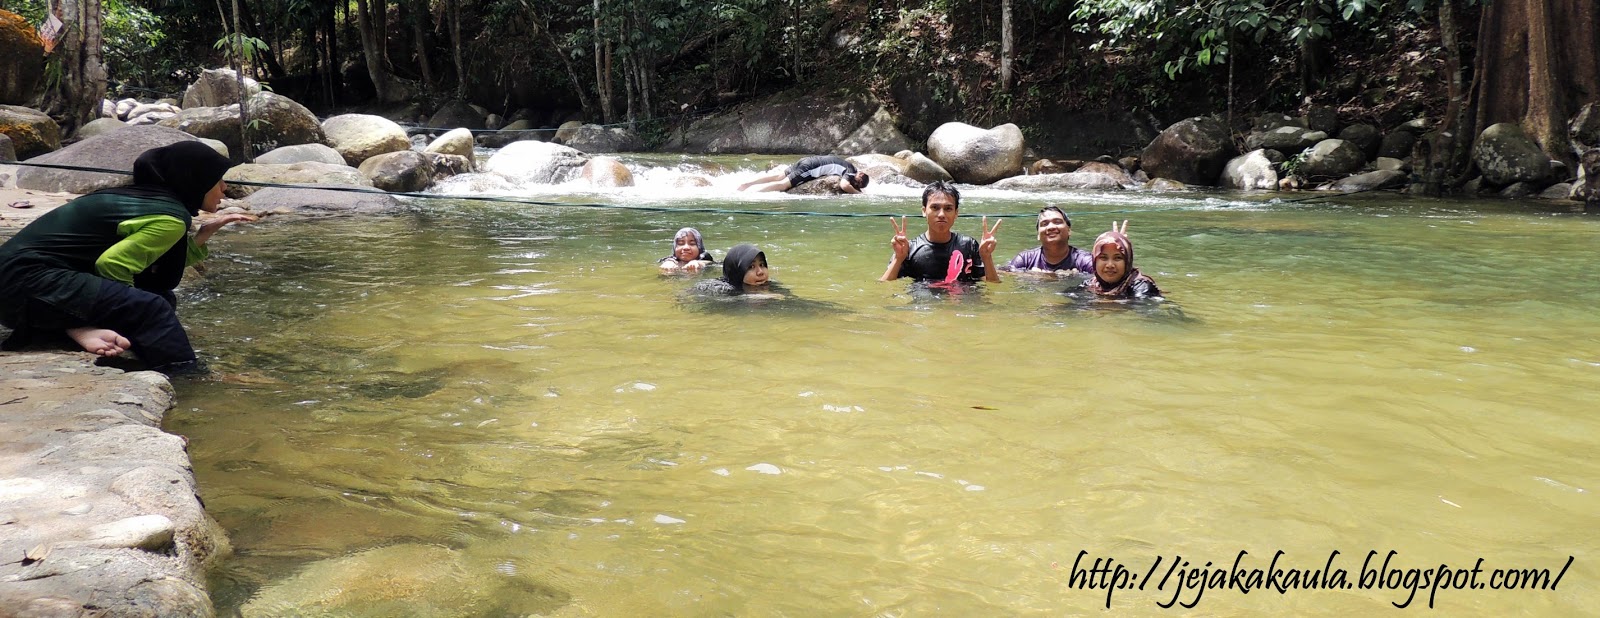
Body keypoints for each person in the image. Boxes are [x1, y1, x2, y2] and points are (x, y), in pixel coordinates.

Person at [0, 141, 251, 374]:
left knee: (158, 296)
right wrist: (127, 309)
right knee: (150, 308)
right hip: (26, 283)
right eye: (217, 180)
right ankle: (188, 376)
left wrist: (203, 235)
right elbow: (112, 265)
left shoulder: (141, 197)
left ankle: (75, 329)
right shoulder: (169, 218)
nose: (224, 188)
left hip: (19, 286)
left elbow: (153, 264)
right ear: (194, 181)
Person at [880, 181, 1000, 284]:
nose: (941, 214)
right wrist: (898, 258)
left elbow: (993, 285)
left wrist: (987, 257)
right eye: (935, 208)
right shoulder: (909, 249)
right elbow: (884, 286)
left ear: (956, 213)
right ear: (924, 211)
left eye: (948, 209)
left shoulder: (969, 245)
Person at [1082, 221, 1161, 299]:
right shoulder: (1091, 284)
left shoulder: (1142, 287)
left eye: (1117, 258)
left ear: (1127, 262)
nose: (1110, 265)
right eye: (1103, 258)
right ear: (1094, 261)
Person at [1004, 206, 1092, 275]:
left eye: (1057, 222)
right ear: (1038, 235)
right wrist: (989, 256)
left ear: (1069, 230)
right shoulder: (1025, 259)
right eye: (1044, 224)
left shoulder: (1084, 260)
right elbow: (1000, 278)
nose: (1051, 227)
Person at [736, 155, 870, 193]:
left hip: (808, 160)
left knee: (778, 176)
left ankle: (747, 184)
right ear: (860, 173)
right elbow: (844, 185)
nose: (856, 183)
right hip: (811, 168)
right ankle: (753, 193)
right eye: (858, 181)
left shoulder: (846, 164)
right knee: (783, 185)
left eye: (858, 185)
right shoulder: (851, 171)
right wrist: (859, 195)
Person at [688, 244, 777, 297]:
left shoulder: (772, 286)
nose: (760, 272)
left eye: (762, 265)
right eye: (751, 267)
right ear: (738, 271)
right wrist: (755, 297)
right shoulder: (718, 289)